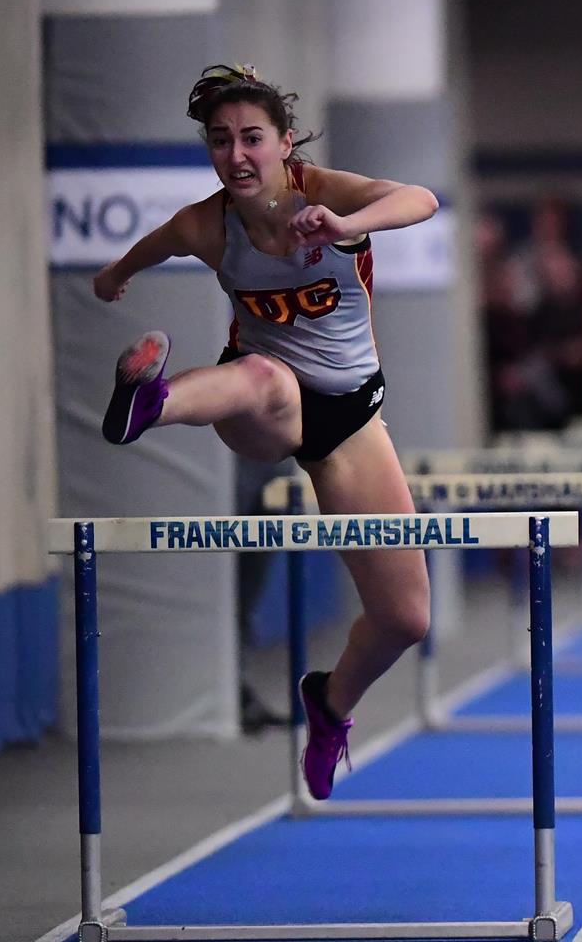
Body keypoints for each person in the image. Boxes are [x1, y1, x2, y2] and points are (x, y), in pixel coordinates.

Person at [92, 64, 439, 797]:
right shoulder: (207, 224)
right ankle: (151, 400)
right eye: (220, 141)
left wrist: (348, 225)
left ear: (285, 143)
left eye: (252, 138)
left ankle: (330, 704)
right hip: (260, 406)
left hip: (349, 419)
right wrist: (114, 276)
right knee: (266, 377)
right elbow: (154, 244)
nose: (237, 155)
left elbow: (421, 198)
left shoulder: (325, 191)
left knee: (405, 617)